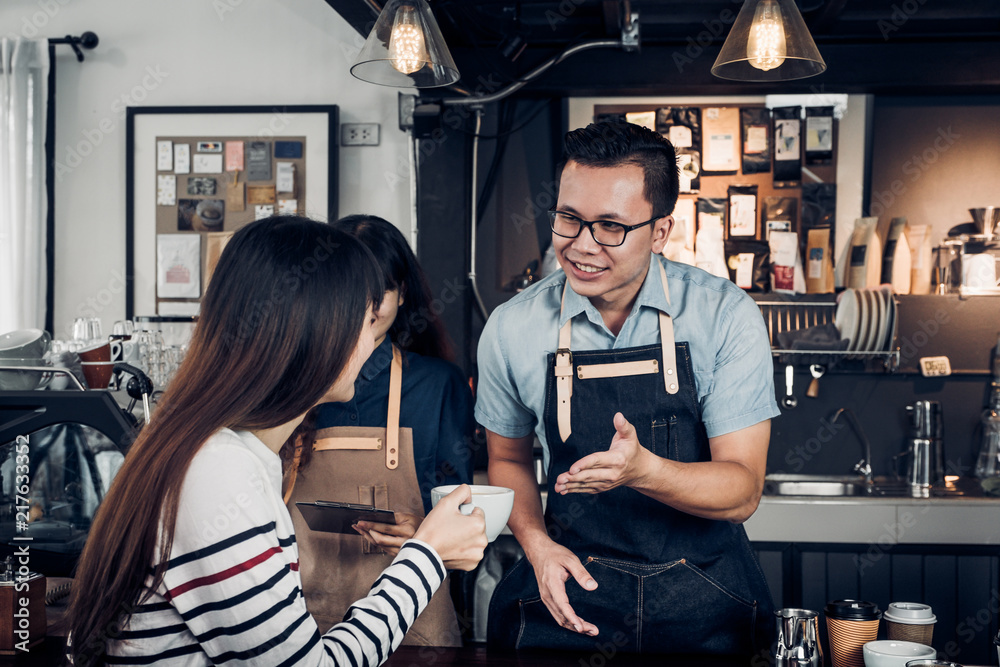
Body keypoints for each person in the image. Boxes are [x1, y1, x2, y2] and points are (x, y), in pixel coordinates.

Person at [67, 216, 487, 666]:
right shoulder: (218, 473)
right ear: (313, 332)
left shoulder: (223, 452)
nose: (373, 339)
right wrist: (427, 556)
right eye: (363, 319)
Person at [476, 121, 779, 656]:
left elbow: (743, 490)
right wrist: (538, 546)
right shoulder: (512, 327)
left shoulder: (725, 316)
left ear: (660, 231)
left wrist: (645, 472)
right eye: (569, 219)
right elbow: (506, 458)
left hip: (705, 601)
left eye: (610, 227)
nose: (582, 246)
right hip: (571, 598)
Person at [283, 214, 475, 646]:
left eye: (378, 293)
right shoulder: (288, 385)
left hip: (413, 621)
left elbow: (462, 509)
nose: (363, 310)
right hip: (299, 619)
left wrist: (423, 531)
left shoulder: (437, 384)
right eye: (348, 293)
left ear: (403, 293)